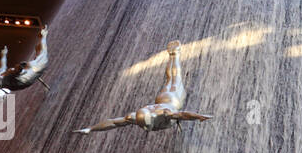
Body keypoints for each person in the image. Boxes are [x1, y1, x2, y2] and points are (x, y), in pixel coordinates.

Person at [73, 41, 212, 134]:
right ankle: (173, 55)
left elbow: (183, 114)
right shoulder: (138, 117)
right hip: (165, 99)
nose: (151, 107)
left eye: (148, 108)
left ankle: (175, 54)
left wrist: (199, 116)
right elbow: (112, 123)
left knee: (174, 78)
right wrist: (90, 129)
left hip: (173, 99)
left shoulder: (162, 114)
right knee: (172, 78)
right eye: (149, 108)